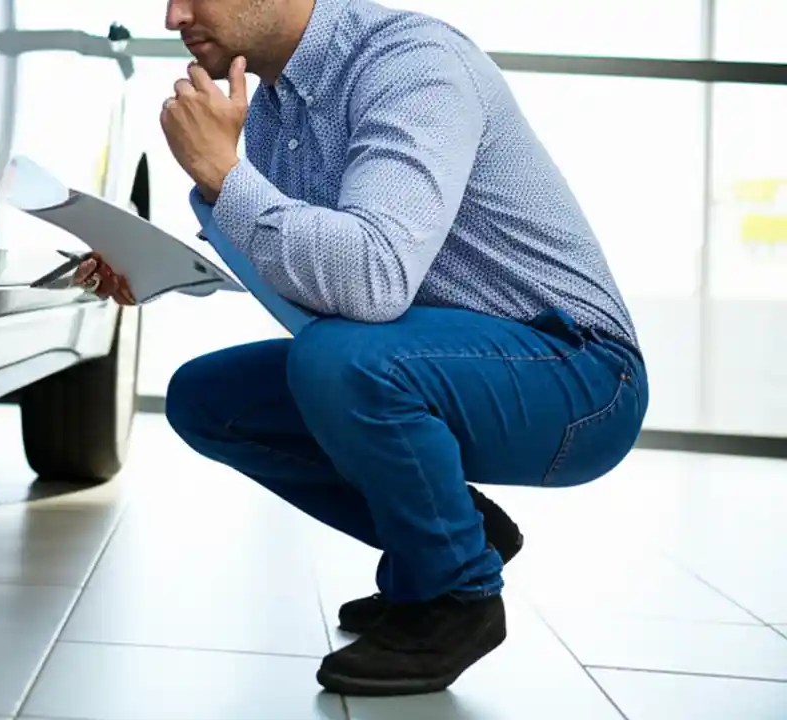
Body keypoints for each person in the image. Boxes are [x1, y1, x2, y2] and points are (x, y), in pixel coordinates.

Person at [75, 0, 649, 697]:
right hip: (442, 362)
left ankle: (456, 597)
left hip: (580, 376)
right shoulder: (275, 108)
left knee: (338, 361)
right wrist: (158, 261)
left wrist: (225, 176)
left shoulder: (412, 65)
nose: (173, 16)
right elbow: (318, 298)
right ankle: (450, 539)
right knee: (206, 399)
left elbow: (371, 281)